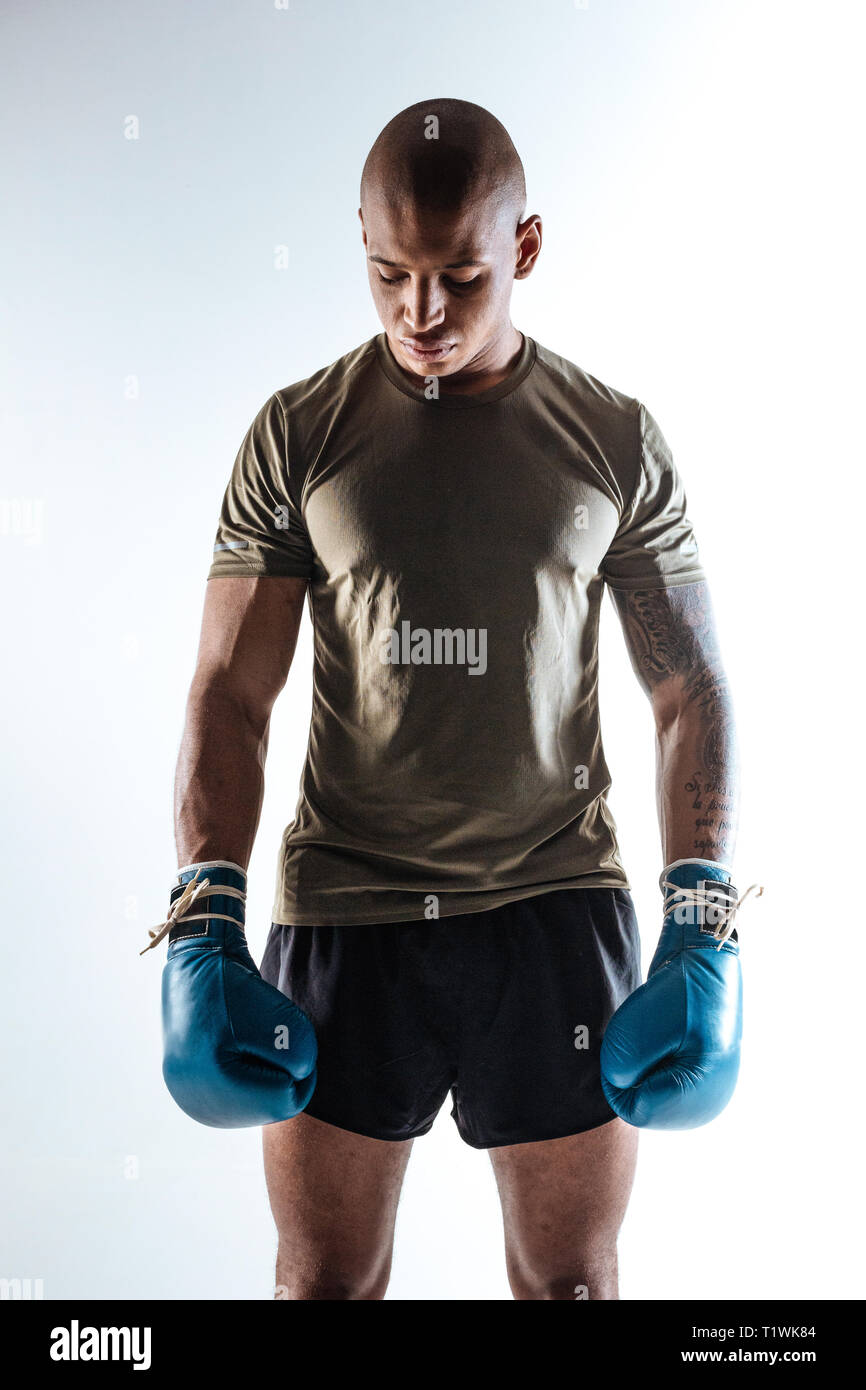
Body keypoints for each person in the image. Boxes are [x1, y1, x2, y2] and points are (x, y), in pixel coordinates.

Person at [148, 98, 754, 1300]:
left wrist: (701, 913)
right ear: (361, 246)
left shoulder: (612, 437)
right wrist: (204, 908)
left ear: (523, 248)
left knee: (571, 1284)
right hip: (348, 903)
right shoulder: (297, 434)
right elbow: (229, 688)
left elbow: (686, 681)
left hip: (552, 902)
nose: (420, 312)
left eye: (459, 278)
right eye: (390, 275)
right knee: (321, 1284)